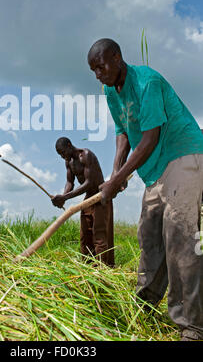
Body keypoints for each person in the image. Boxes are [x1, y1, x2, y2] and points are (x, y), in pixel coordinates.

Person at [88, 37, 203, 341]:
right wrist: (116, 173)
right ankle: (145, 305)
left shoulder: (147, 81)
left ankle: (192, 326)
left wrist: (117, 179)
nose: (98, 74)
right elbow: (124, 132)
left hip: (183, 154)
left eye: (101, 67)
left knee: (180, 238)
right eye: (93, 71)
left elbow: (149, 137)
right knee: (149, 235)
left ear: (116, 57)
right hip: (154, 169)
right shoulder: (110, 90)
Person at [51, 137, 114, 266]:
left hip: (99, 197)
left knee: (99, 234)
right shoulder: (68, 162)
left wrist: (65, 197)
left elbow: (89, 183)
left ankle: (102, 269)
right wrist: (62, 197)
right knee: (85, 235)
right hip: (87, 200)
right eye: (60, 155)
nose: (63, 157)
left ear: (69, 145)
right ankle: (87, 267)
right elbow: (70, 182)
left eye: (63, 152)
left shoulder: (85, 155)